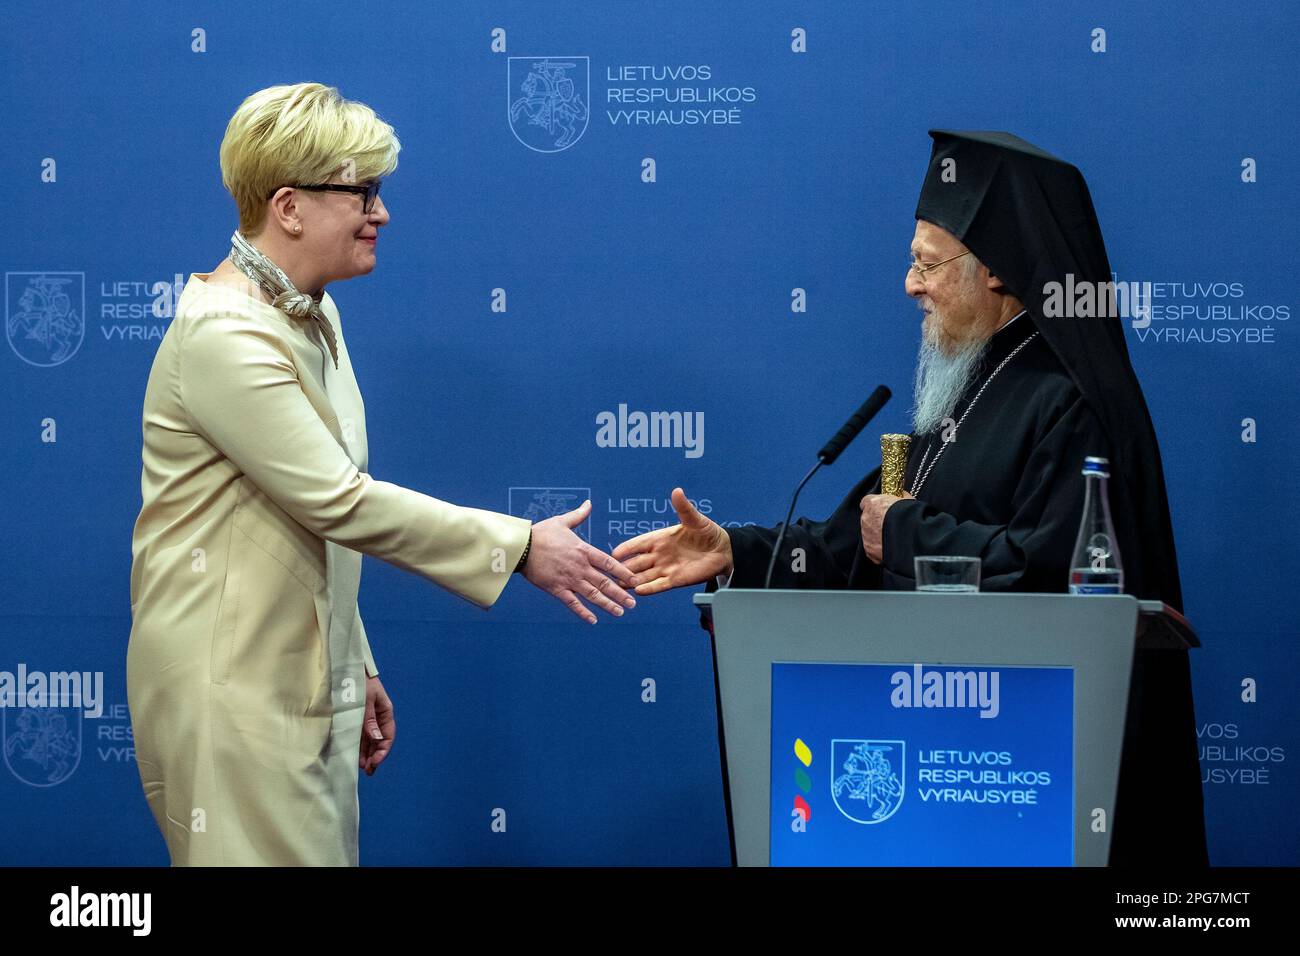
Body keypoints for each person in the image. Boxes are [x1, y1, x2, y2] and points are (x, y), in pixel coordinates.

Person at [613, 130, 1207, 867]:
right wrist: (736, 550)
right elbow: (855, 541)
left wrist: (909, 537)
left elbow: (1062, 581)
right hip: (934, 769)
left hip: (1025, 777)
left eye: (926, 263)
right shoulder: (964, 389)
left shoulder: (1071, 403)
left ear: (996, 270)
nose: (908, 284)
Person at [126, 82, 637, 866]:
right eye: (361, 192)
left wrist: (348, 663)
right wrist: (519, 546)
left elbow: (304, 510)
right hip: (228, 692)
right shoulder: (225, 335)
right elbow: (338, 501)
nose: (382, 212)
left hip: (296, 681)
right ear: (289, 207)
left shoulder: (314, 310)